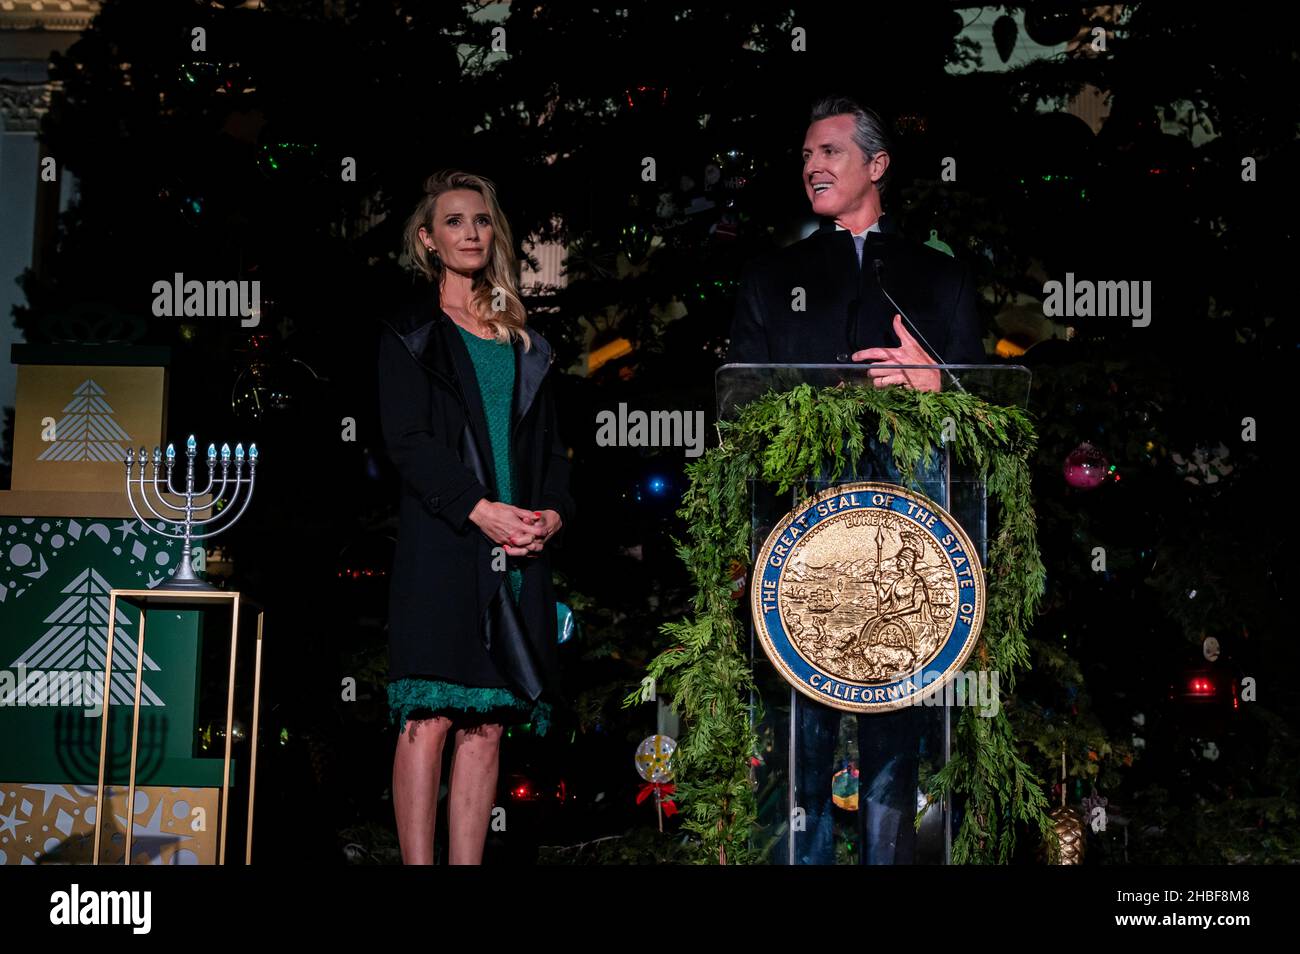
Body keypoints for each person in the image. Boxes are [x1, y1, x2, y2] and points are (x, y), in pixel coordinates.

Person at [727, 96, 985, 864]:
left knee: (896, 712)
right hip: (800, 535)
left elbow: (983, 413)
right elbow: (740, 399)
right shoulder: (773, 278)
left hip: (910, 538)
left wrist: (941, 387)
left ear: (877, 166)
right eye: (806, 154)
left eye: (831, 152)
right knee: (800, 728)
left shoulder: (939, 278)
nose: (813, 165)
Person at [377, 169, 574, 864]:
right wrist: (479, 509)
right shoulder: (410, 335)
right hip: (444, 545)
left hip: (519, 550)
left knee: (488, 723)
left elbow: (551, 451)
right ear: (428, 240)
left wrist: (548, 514)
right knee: (428, 715)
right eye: (454, 222)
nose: (471, 233)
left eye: (481, 221)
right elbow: (408, 442)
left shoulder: (527, 342)